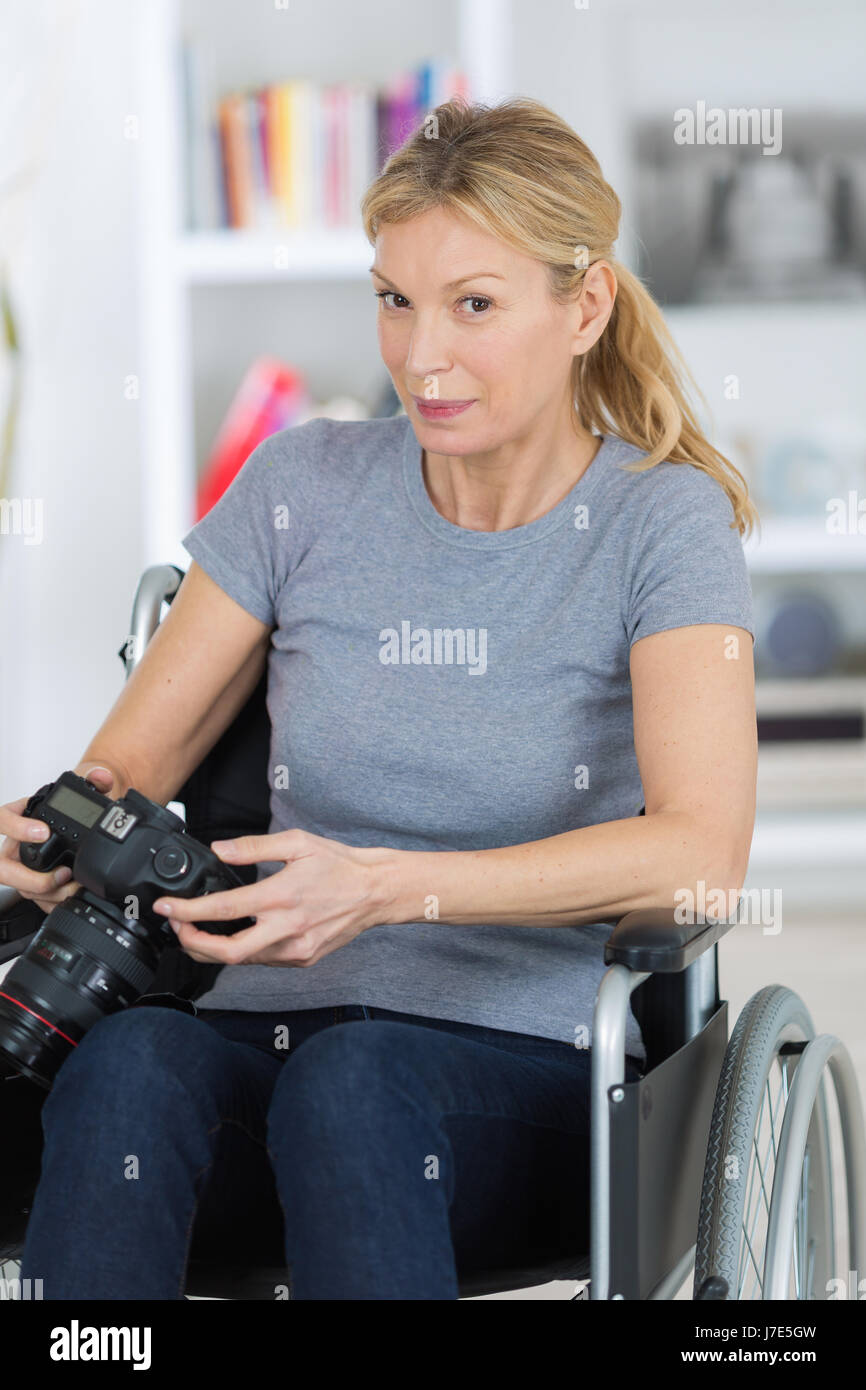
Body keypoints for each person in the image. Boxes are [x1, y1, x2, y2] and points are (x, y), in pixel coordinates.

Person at [2, 96, 758, 1300]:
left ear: (584, 305)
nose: (418, 354)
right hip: (257, 1038)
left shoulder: (658, 523)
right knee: (129, 1061)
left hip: (519, 1079)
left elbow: (700, 854)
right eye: (393, 299)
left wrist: (387, 889)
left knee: (354, 1084)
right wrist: (52, 845)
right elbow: (118, 778)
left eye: (473, 304)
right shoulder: (304, 482)